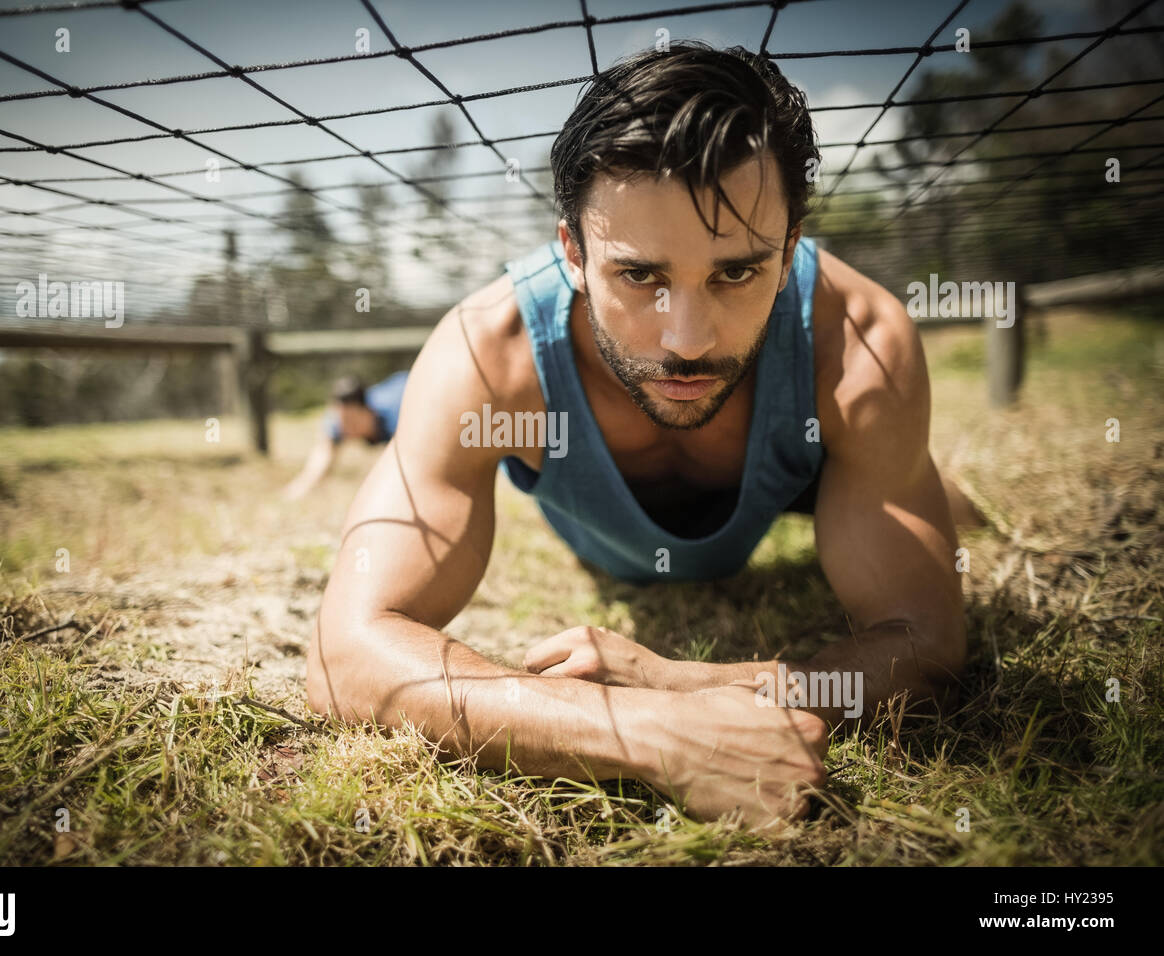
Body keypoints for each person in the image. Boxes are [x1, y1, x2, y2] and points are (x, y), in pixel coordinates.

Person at [307, 42, 982, 829]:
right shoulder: (488, 358)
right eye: (640, 277)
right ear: (573, 254)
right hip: (619, 531)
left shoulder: (858, 344)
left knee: (943, 502)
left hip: (802, 476)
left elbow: (927, 647)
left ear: (791, 248)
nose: (687, 341)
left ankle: (952, 494)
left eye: (736, 272)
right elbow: (346, 652)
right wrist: (643, 734)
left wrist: (676, 684)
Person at [281, 371, 408, 502]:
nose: (345, 429)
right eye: (342, 421)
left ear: (369, 411)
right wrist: (301, 487)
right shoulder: (338, 421)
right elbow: (323, 455)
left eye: (352, 421)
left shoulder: (399, 416)